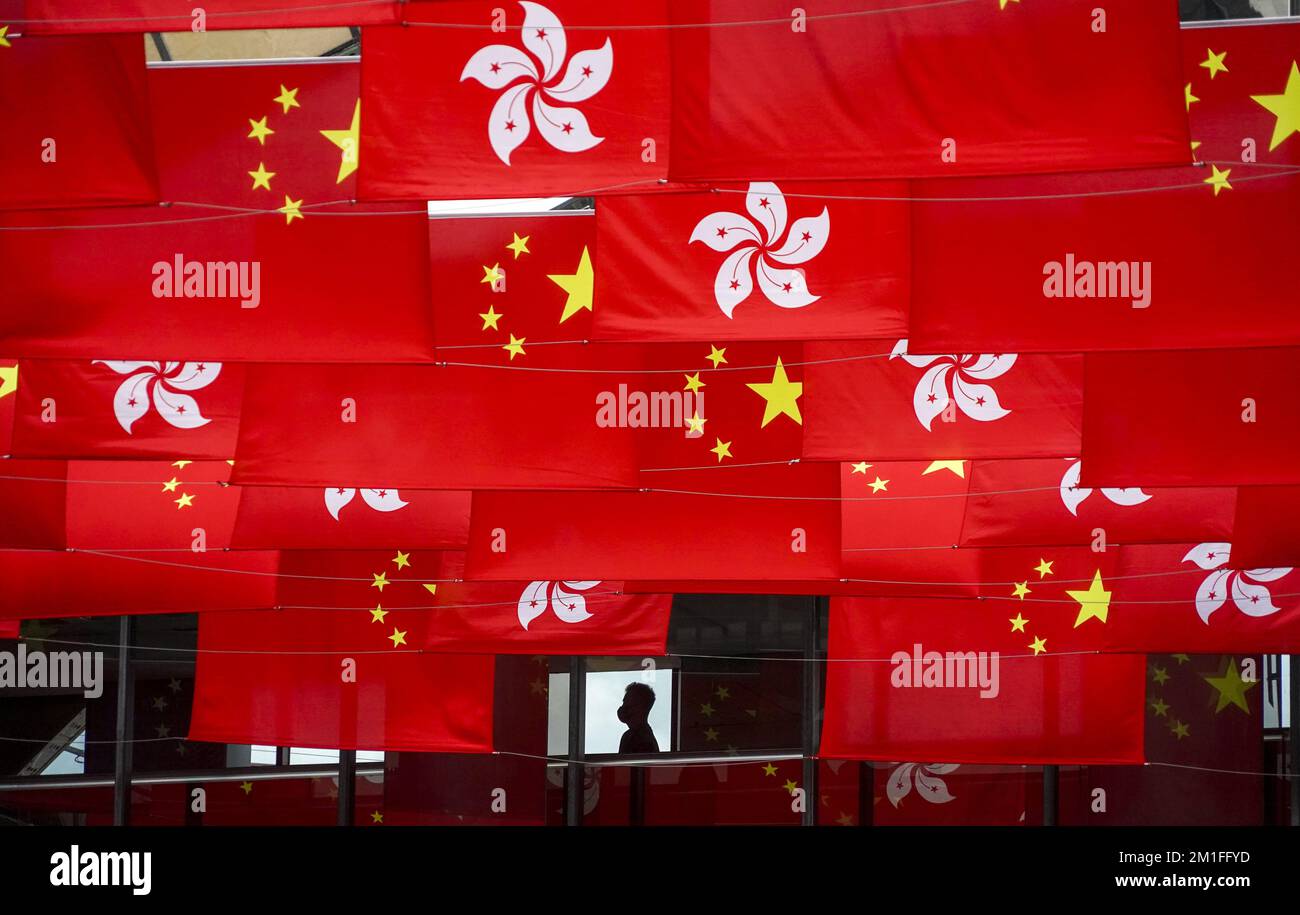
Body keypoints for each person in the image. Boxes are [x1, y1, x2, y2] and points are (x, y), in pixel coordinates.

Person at [616, 682, 660, 754]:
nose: (623, 707)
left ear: (640, 707)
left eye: (627, 702)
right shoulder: (631, 736)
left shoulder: (641, 739)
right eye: (624, 702)